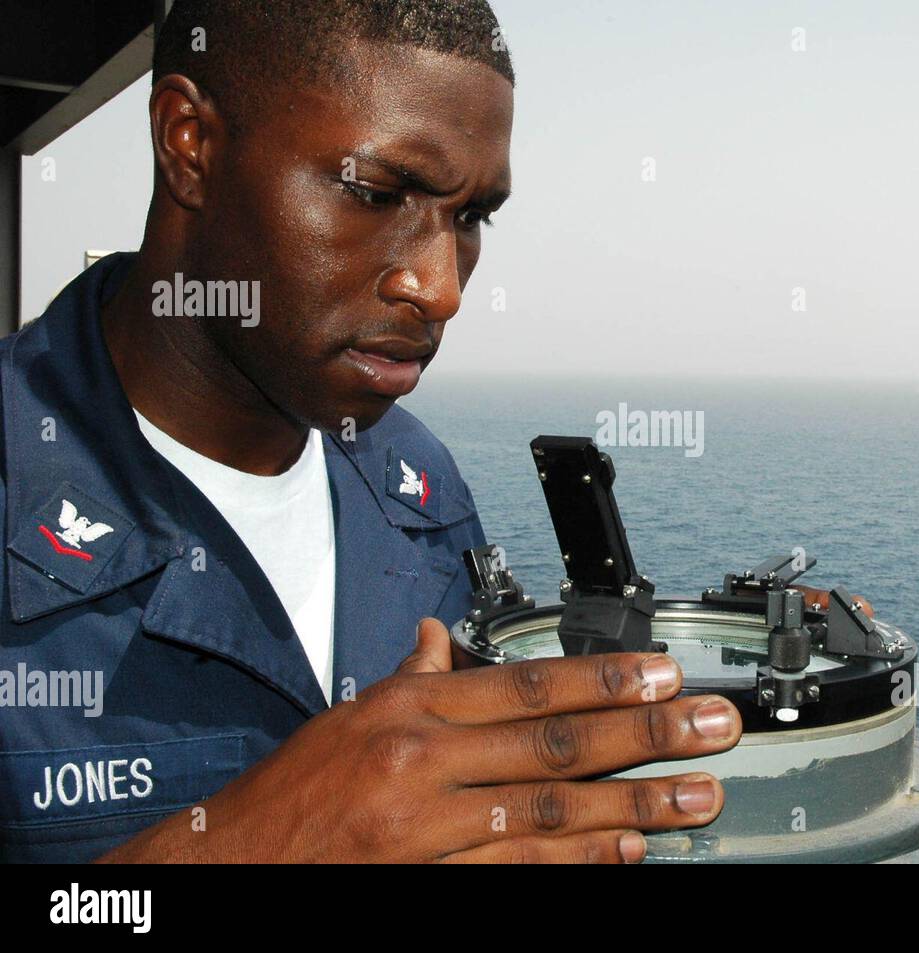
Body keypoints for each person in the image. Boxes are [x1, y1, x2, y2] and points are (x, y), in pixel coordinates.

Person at [0, 0, 749, 863]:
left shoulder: (418, 484)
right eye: (377, 192)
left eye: (471, 216)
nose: (441, 289)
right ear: (189, 143)